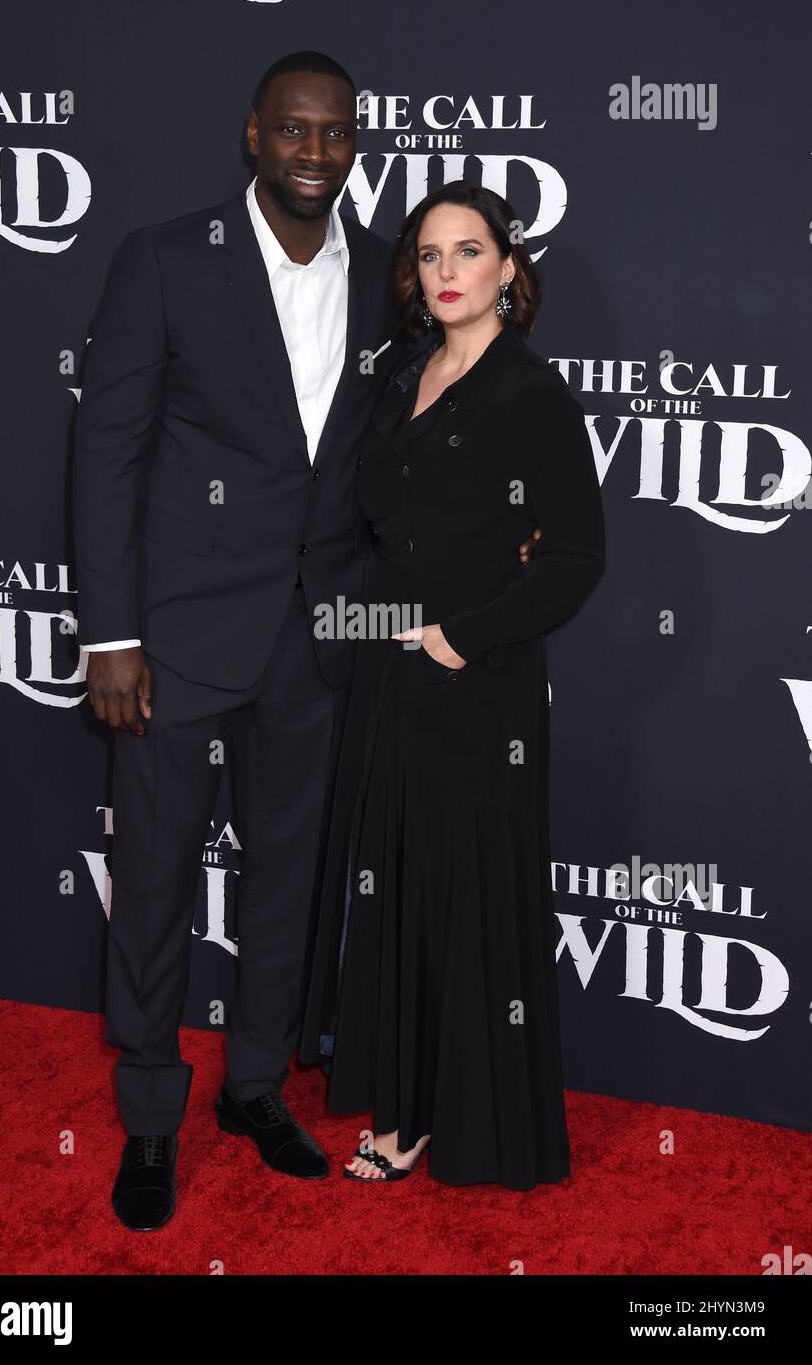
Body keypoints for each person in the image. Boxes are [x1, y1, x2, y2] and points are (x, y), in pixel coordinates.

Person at [73, 50, 417, 1231]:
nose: (316, 154)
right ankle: (154, 1118)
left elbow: (412, 437)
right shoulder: (166, 260)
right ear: (253, 137)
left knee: (287, 879)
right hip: (172, 637)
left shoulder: (386, 275)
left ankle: (257, 1085)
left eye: (336, 134)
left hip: (317, 637)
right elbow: (107, 453)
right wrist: (110, 634)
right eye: (295, 132)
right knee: (157, 878)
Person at [299, 179, 606, 1189]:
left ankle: (474, 1119)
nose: (446, 274)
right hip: (389, 676)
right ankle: (408, 1102)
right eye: (429, 256)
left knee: (465, 897)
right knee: (396, 892)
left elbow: (575, 557)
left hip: (480, 690)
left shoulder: (531, 393)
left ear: (509, 268)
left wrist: (463, 638)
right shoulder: (403, 375)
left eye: (467, 253)